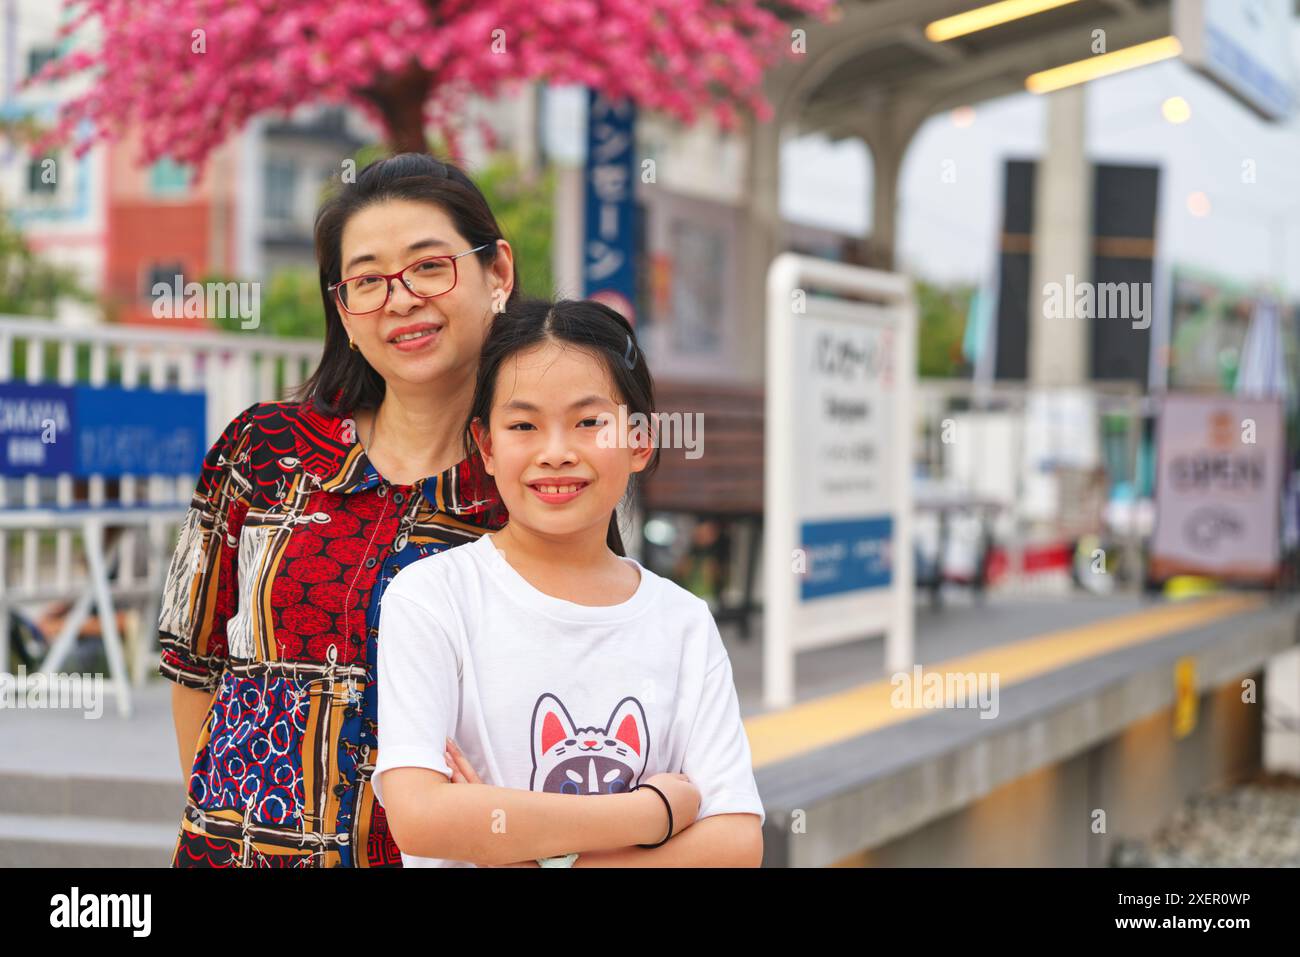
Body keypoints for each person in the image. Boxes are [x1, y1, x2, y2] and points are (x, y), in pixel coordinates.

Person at [157, 153, 518, 867]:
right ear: (344, 312)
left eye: (429, 266)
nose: (402, 298)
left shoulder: (527, 483)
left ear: (497, 273)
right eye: (367, 282)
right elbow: (195, 667)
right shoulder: (263, 451)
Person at [373, 298, 765, 867]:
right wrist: (652, 813)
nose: (556, 453)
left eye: (588, 423)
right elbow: (422, 818)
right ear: (485, 445)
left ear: (638, 441)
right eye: (524, 425)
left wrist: (515, 843)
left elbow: (734, 843)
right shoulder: (433, 598)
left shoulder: (681, 622)